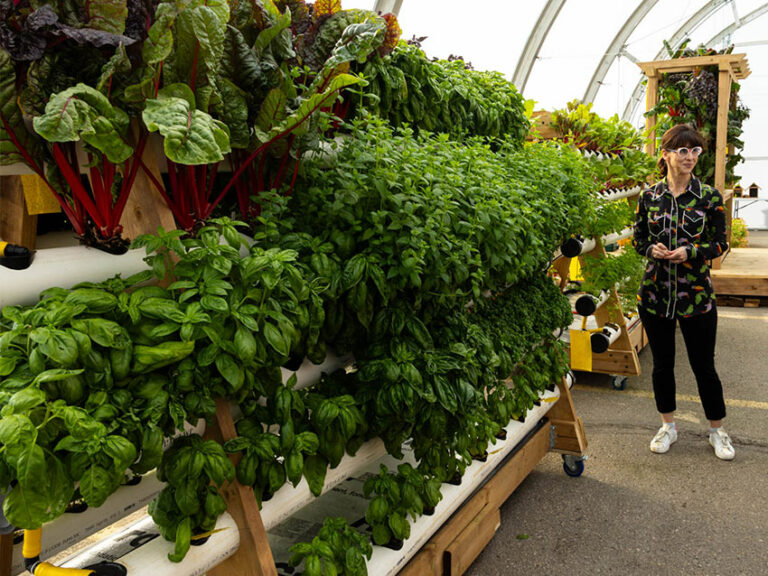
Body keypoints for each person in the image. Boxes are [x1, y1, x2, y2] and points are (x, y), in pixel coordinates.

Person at [633, 123, 733, 460]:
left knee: (704, 365)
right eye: (682, 150)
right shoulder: (649, 196)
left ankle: (718, 431)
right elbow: (638, 240)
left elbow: (720, 243)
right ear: (666, 154)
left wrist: (692, 252)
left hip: (697, 296)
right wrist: (652, 250)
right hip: (655, 294)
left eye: (695, 151)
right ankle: (668, 426)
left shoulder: (709, 198)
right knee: (662, 365)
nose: (689, 157)